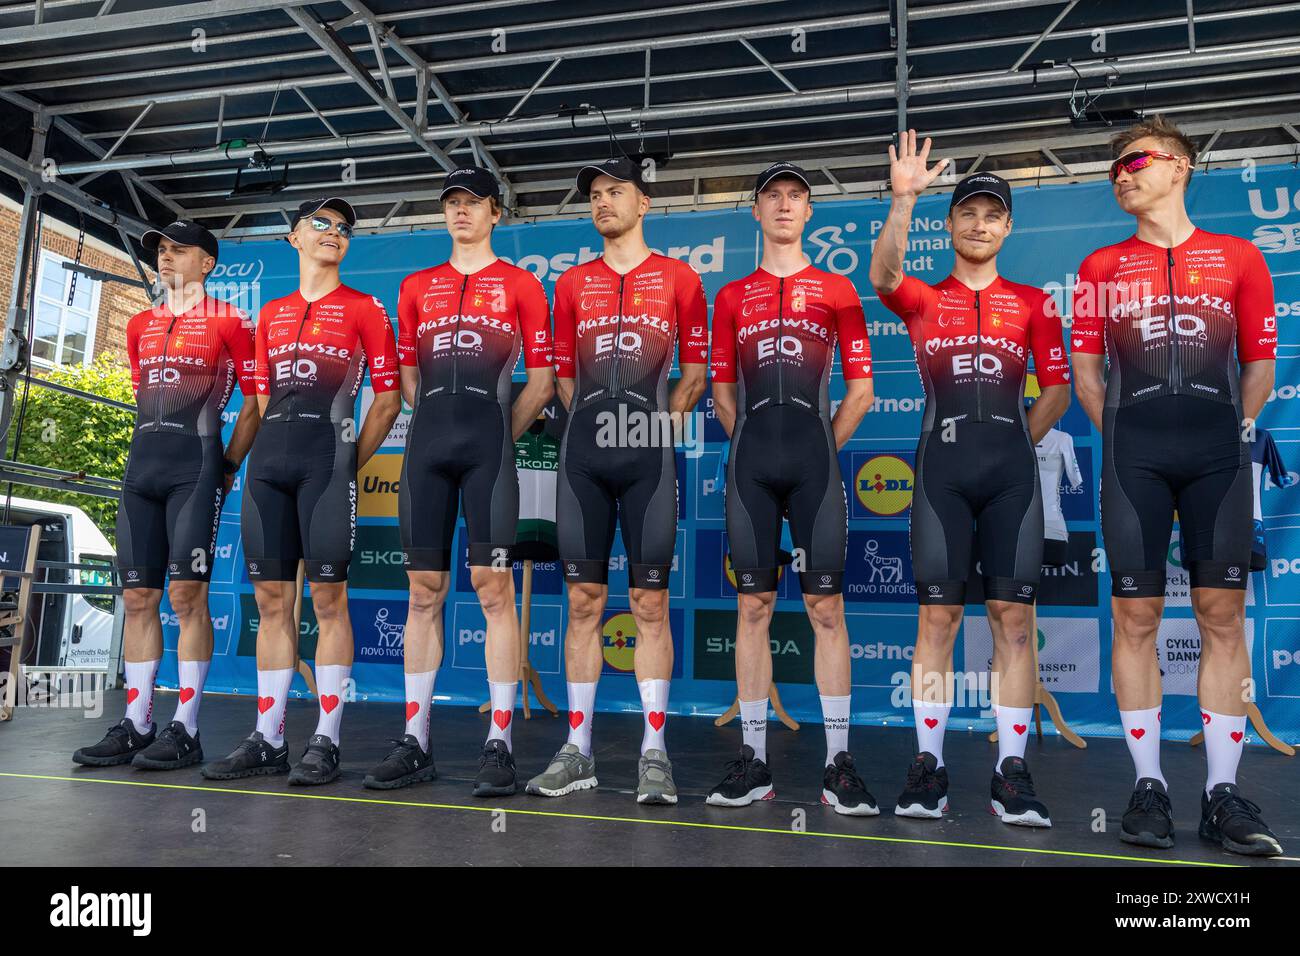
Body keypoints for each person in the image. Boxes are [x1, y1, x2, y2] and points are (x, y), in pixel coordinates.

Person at [1071, 116, 1283, 856]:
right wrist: (1120, 438)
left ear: (1180, 166)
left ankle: (1222, 793)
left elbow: (1260, 362)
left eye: (1134, 161)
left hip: (1217, 455)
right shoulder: (1098, 268)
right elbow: (1086, 373)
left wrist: (1241, 427)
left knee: (1222, 616)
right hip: (1134, 458)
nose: (1122, 174)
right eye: (1112, 170)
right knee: (1135, 619)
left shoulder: (1241, 258)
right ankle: (1149, 786)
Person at [869, 132, 1072, 827]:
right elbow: (884, 277)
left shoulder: (1036, 303)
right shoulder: (925, 299)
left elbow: (1057, 393)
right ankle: (929, 766)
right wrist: (903, 201)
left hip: (1011, 477)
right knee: (938, 617)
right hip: (941, 476)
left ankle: (1011, 772)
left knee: (1013, 622)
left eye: (993, 214)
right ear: (950, 225)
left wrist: (1015, 440)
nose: (980, 224)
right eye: (968, 213)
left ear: (1008, 227)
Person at [363, 167, 555, 796]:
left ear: (495, 213)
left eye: (472, 203)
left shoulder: (523, 285)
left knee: (493, 588)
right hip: (426, 453)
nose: (460, 212)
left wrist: (502, 428)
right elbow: (409, 379)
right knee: (423, 592)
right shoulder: (416, 286)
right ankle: (415, 740)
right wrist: (433, 423)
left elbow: (546, 382)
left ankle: (499, 742)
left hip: (490, 454)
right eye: (451, 203)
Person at [525, 156, 708, 804]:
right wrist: (586, 426)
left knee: (651, 605)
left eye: (615, 192)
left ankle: (654, 754)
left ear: (645, 203)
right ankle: (579, 750)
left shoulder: (680, 278)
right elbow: (564, 376)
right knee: (582, 604)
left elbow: (693, 374)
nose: (603, 202)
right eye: (595, 195)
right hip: (584, 459)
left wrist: (660, 427)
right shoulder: (572, 283)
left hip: (649, 457)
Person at [201, 198, 401, 786]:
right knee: (270, 604)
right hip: (267, 470)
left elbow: (388, 401)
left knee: (328, 601)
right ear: (293, 237)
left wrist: (344, 466)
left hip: (326, 469)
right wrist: (237, 464)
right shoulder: (271, 314)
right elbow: (258, 404)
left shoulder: (365, 309)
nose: (334, 232)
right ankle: (268, 737)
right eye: (321, 223)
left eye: (343, 227)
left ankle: (326, 740)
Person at [706, 162, 877, 813]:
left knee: (826, 611)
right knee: (752, 609)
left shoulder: (837, 290)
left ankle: (839, 763)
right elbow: (723, 393)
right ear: (756, 211)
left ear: (809, 213)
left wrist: (818, 451)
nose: (783, 205)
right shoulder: (731, 297)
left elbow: (862, 391)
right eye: (772, 196)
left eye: (796, 197)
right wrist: (751, 445)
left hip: (816, 464)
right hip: (751, 466)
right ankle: (752, 761)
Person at [74, 221, 259, 769]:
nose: (165, 256)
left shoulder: (231, 322)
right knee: (136, 599)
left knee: (186, 598)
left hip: (195, 469)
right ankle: (136, 722)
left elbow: (254, 404)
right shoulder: (138, 325)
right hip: (141, 471)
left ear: (208, 263)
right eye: (160, 248)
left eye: (179, 249)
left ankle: (186, 727)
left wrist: (228, 464)